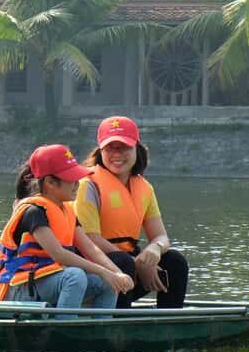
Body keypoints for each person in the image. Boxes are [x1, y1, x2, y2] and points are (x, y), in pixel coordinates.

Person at [0, 144, 133, 318]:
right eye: (72, 179)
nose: (77, 185)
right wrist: (104, 271)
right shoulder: (34, 211)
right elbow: (58, 254)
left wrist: (116, 273)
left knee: (107, 283)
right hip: (18, 289)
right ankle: (64, 329)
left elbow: (91, 249)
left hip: (46, 282)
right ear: (50, 182)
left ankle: (100, 329)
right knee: (75, 276)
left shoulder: (67, 211)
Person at [75, 116, 189, 308]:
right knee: (122, 262)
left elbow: (161, 236)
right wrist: (136, 263)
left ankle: (169, 319)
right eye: (110, 148)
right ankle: (117, 320)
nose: (117, 154)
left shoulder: (145, 188)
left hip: (130, 264)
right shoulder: (87, 185)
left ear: (137, 148)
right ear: (101, 151)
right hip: (98, 269)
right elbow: (90, 239)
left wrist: (154, 249)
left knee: (174, 261)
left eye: (124, 147)